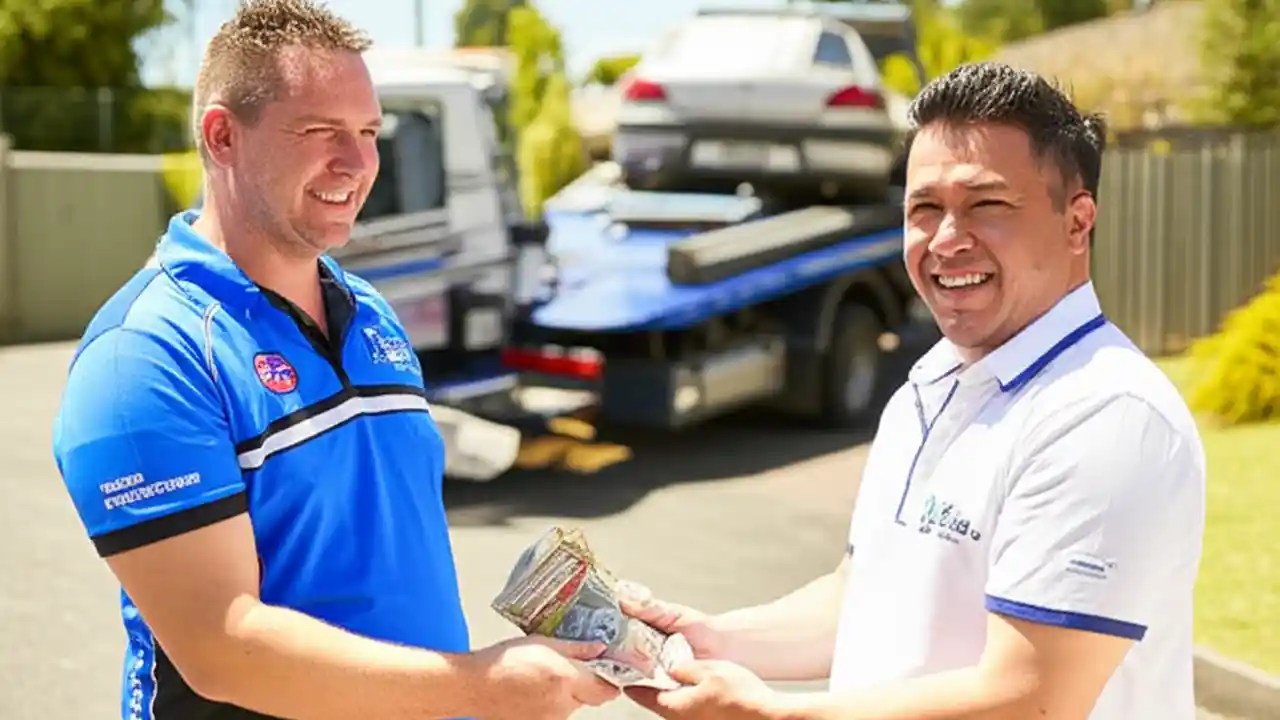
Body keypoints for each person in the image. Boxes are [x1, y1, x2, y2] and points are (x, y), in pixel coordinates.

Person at [50, 1, 618, 718]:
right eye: (320, 131)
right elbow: (221, 648)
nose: (357, 163)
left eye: (369, 132)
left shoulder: (370, 312)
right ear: (222, 137)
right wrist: (480, 684)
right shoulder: (142, 358)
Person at [620, 62, 1206, 720]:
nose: (947, 239)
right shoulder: (930, 384)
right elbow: (864, 595)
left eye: (986, 205)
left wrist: (773, 715)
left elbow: (1032, 699)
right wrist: (708, 638)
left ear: (1077, 223)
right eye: (925, 208)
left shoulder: (1104, 415)